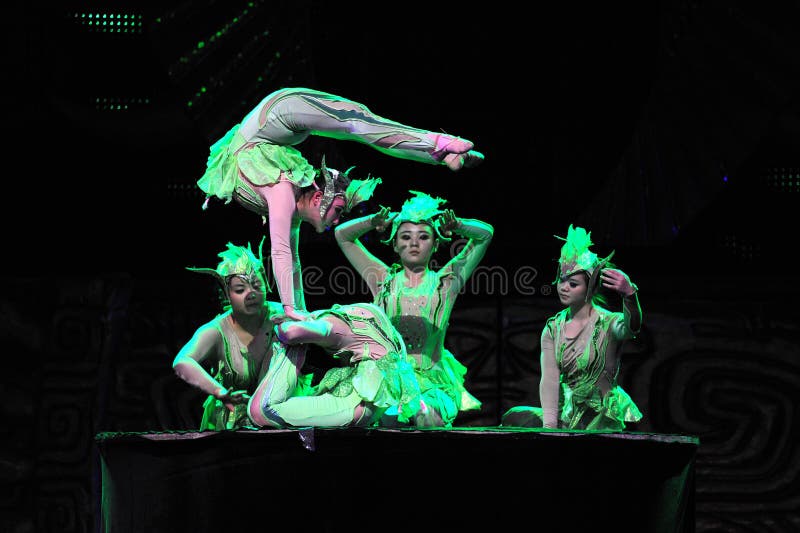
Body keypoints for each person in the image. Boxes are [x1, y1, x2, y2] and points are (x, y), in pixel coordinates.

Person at [197, 87, 485, 323]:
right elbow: (290, 257)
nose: (336, 220)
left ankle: (441, 146)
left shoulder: (284, 192)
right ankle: (440, 152)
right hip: (272, 123)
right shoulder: (287, 196)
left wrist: (293, 310)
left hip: (278, 112)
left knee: (357, 121)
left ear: (320, 198)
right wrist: (297, 311)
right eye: (338, 212)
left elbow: (282, 250)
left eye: (337, 212)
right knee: (358, 122)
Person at [334, 190, 493, 427]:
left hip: (433, 385)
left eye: (423, 237)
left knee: (424, 417)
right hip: (390, 382)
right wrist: (373, 222)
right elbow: (342, 235)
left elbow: (485, 234)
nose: (414, 243)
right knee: (382, 419)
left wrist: (458, 225)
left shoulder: (445, 284)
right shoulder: (382, 280)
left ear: (436, 243)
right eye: (405, 237)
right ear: (395, 245)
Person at [501, 224, 643, 430]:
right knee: (513, 417)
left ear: (590, 288)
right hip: (567, 414)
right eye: (561, 280)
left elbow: (632, 327)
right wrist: (550, 428)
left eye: (573, 284)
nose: (564, 287)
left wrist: (630, 296)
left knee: (588, 424)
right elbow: (549, 379)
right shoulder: (553, 328)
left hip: (599, 417)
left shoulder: (609, 323)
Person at [172, 240, 311, 430]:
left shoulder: (283, 316)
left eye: (256, 285)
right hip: (233, 422)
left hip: (285, 413)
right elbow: (182, 362)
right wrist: (219, 392)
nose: (251, 293)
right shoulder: (217, 331)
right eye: (240, 289)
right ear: (226, 295)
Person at [247, 302, 422, 428]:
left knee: (262, 410)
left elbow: (291, 333)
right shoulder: (368, 311)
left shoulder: (330, 327)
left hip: (356, 405)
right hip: (374, 401)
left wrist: (281, 328)